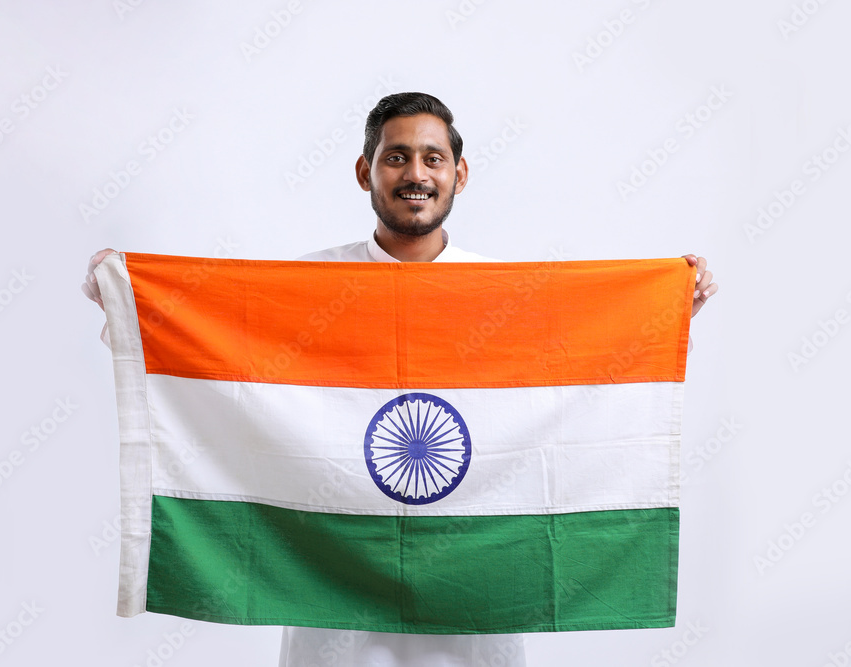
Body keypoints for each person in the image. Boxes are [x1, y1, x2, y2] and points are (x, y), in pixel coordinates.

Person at [83, 92, 718, 667]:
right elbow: (198, 355)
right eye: (397, 157)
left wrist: (664, 311)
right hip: (334, 626)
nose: (416, 174)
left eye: (433, 159)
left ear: (459, 175)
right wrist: (126, 301)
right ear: (366, 172)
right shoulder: (304, 292)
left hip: (475, 622)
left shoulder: (508, 300)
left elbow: (597, 358)